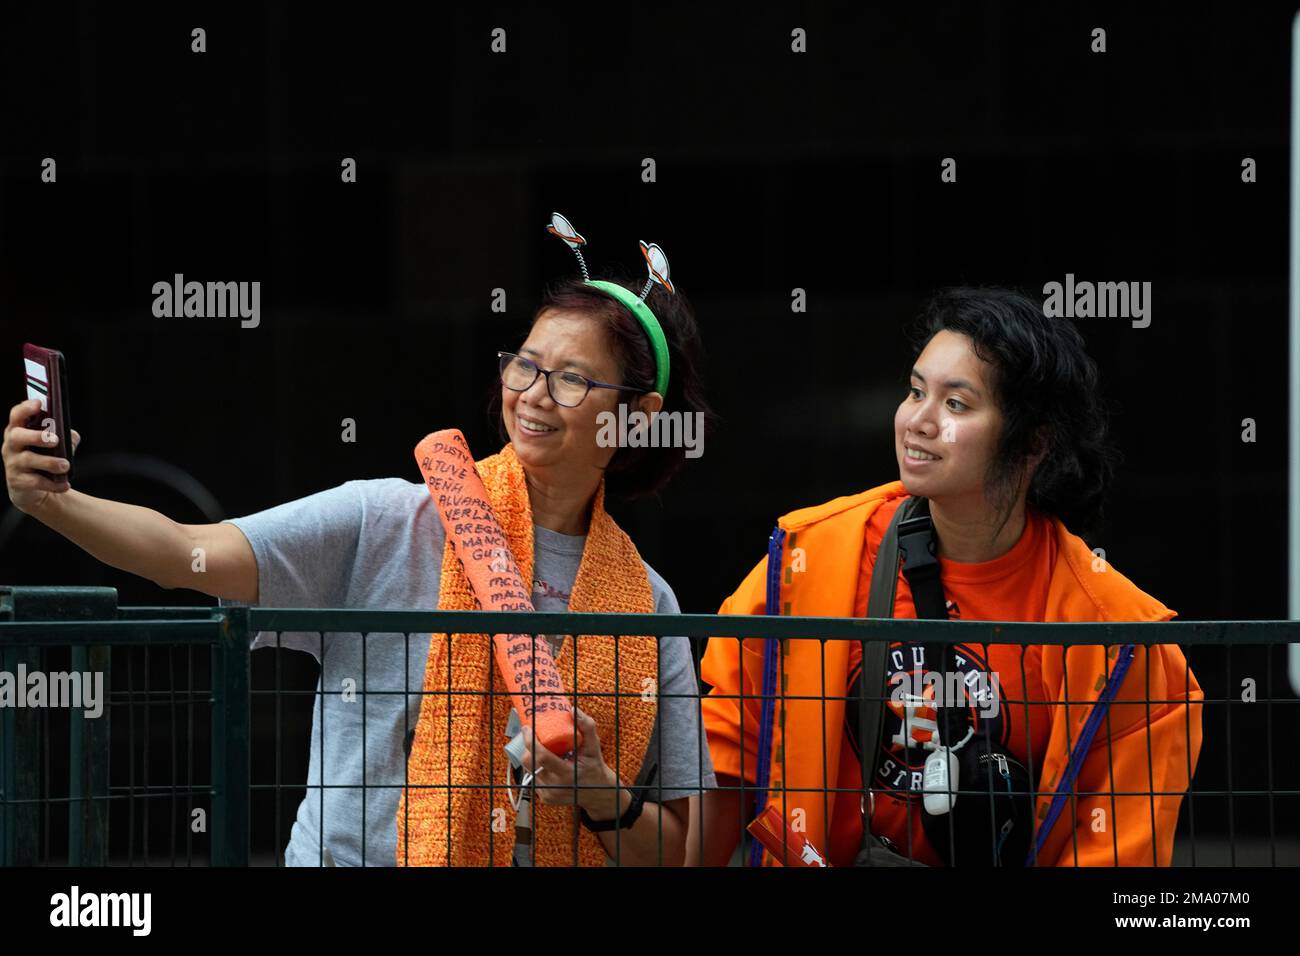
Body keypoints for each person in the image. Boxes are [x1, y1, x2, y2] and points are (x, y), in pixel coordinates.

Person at [3, 218, 715, 867]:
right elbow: (180, 550)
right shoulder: (385, 521)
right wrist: (55, 502)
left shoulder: (648, 604)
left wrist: (603, 795)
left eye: (570, 380)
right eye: (524, 363)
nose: (530, 394)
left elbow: (683, 851)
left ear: (637, 415)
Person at [689, 287, 1203, 867]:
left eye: (956, 404)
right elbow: (725, 761)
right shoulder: (809, 560)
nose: (918, 422)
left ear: (1033, 443)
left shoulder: (1124, 639)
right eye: (915, 392)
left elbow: (1117, 850)